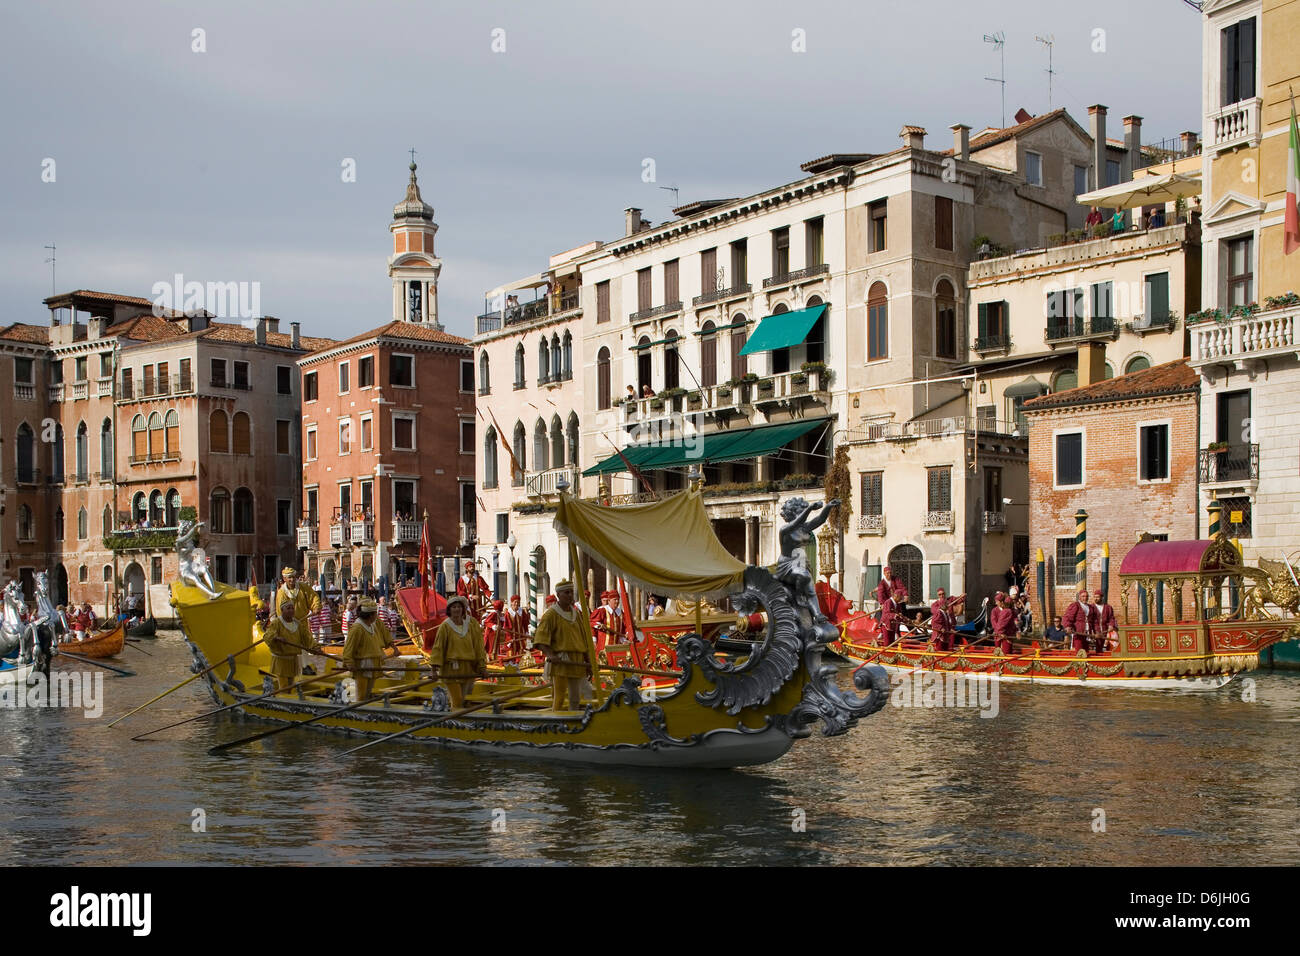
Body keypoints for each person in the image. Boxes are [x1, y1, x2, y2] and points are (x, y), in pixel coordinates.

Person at [532, 579, 591, 712]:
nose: (570, 595)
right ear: (558, 595)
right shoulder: (551, 614)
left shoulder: (576, 614)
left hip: (577, 660)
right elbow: (540, 640)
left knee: (575, 697)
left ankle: (574, 721)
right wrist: (551, 655)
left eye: (571, 592)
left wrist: (588, 662)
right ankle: (555, 722)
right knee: (559, 697)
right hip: (561, 660)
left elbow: (584, 639)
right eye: (566, 592)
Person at [429, 595, 488, 708]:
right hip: (451, 670)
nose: (457, 609)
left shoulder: (471, 625)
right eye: (454, 607)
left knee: (466, 700)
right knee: (457, 700)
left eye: (459, 607)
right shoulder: (445, 627)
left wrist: (482, 667)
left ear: (463, 609)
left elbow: (478, 647)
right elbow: (438, 648)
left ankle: (467, 723)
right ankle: (454, 721)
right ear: (449, 610)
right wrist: (433, 670)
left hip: (468, 669)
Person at [342, 597, 398, 701]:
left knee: (368, 691)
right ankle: (357, 709)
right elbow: (348, 648)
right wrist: (349, 663)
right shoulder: (357, 628)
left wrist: (394, 648)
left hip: (374, 663)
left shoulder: (373, 624)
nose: (377, 616)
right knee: (360, 693)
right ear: (370, 615)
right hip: (362, 665)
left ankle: (366, 705)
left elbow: (385, 634)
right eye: (375, 614)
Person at [263, 599, 322, 692]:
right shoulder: (276, 623)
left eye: (292, 608)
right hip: (280, 660)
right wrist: (276, 638)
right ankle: (283, 700)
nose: (291, 610)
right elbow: (267, 635)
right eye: (288, 608)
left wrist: (315, 648)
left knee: (290, 685)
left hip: (293, 659)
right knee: (283, 686)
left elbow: (307, 638)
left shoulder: (297, 624)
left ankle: (288, 698)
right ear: (282, 610)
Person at [929, 588, 965, 652]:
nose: (942, 596)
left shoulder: (950, 600)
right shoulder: (937, 607)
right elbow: (934, 615)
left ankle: (949, 650)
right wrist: (941, 628)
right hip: (942, 629)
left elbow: (959, 600)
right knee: (942, 642)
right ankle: (943, 652)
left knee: (950, 641)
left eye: (943, 594)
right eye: (940, 594)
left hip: (950, 625)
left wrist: (962, 597)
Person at [1093, 589, 1117, 654]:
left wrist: (1111, 625)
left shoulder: (1108, 607)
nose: (1096, 598)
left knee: (1105, 646)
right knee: (1097, 645)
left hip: (1105, 629)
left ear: (1102, 597)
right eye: (1095, 597)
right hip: (1095, 629)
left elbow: (1111, 618)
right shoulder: (1091, 607)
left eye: (1097, 597)